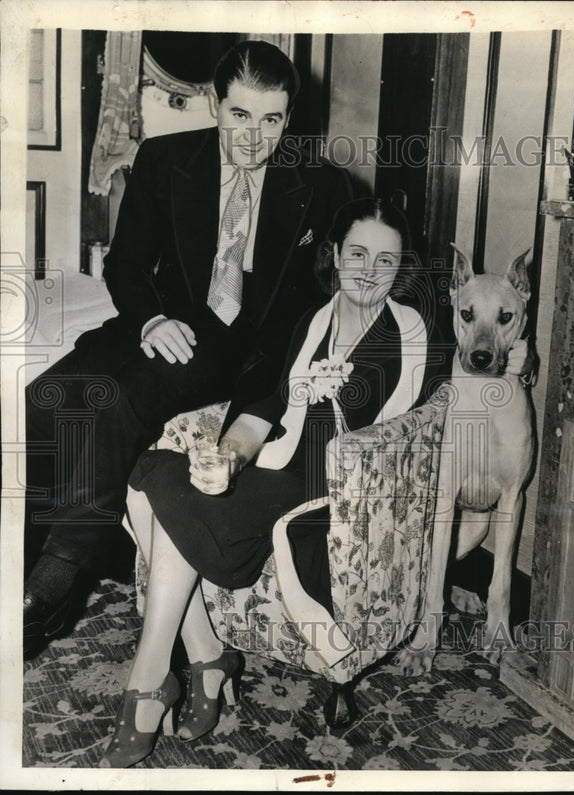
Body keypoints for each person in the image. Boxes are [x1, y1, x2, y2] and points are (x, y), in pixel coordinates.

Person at [98, 196, 529, 768]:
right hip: (280, 468)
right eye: (357, 254)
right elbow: (266, 408)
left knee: (169, 502)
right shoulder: (310, 320)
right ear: (335, 255)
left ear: (400, 270)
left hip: (338, 500)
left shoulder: (415, 336)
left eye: (386, 260)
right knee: (151, 475)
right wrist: (230, 455)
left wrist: (518, 361)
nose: (369, 272)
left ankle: (151, 681)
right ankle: (202, 656)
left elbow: (419, 427)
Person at [23, 39, 352, 659]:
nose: (254, 139)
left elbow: (311, 313)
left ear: (289, 118)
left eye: (272, 119)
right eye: (239, 116)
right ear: (213, 103)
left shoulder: (320, 188)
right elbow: (125, 265)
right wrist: (149, 321)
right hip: (162, 321)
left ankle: (60, 575)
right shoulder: (166, 157)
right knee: (43, 397)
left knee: (120, 399)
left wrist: (261, 404)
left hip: (242, 343)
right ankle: (31, 559)